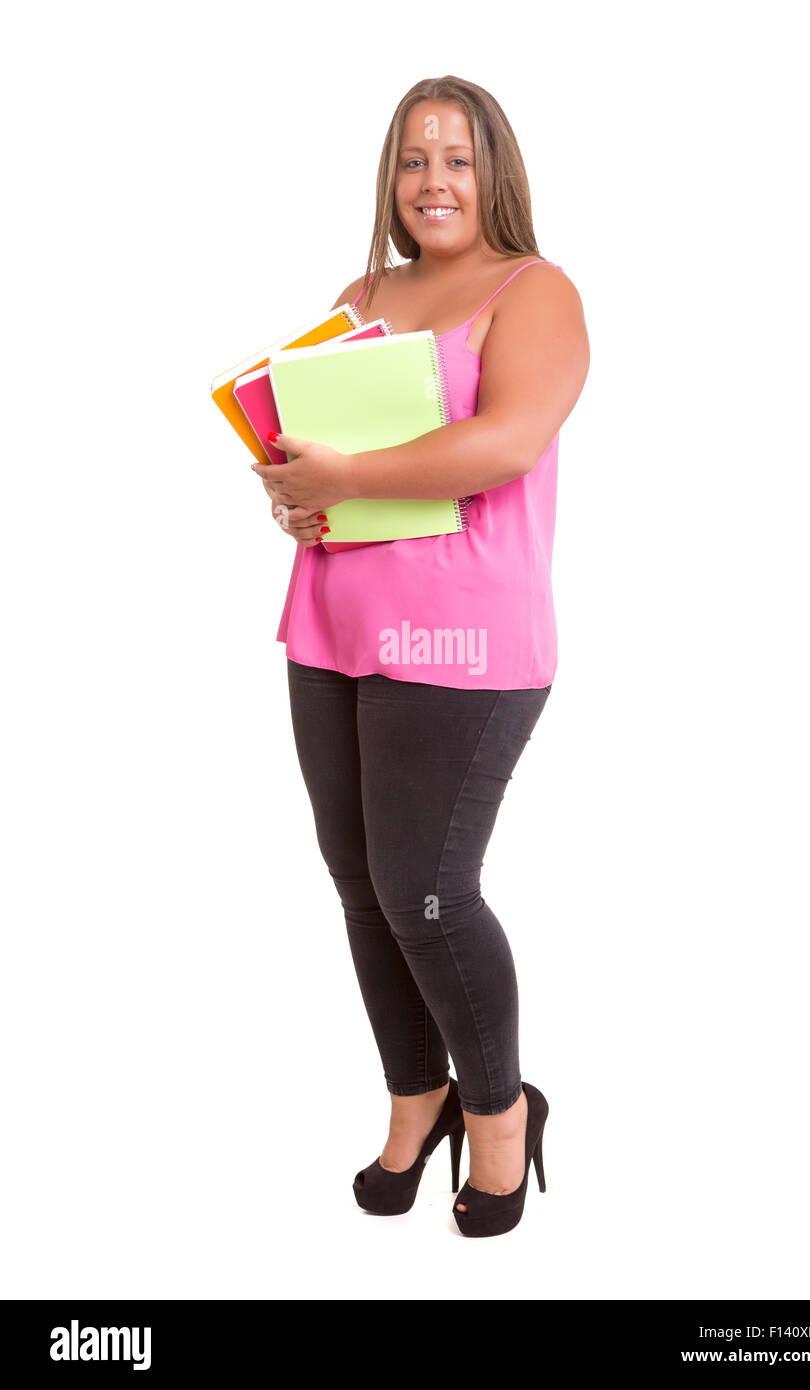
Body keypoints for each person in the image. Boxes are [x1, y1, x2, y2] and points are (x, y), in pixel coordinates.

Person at [251, 75, 590, 1238]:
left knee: (426, 891)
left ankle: (500, 1112)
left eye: (454, 157)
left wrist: (343, 475)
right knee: (361, 888)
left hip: (463, 639)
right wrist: (301, 496)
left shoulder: (531, 291)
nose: (432, 181)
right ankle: (416, 1096)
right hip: (337, 620)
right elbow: (317, 446)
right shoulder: (363, 294)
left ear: (493, 169)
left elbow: (503, 443)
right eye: (411, 161)